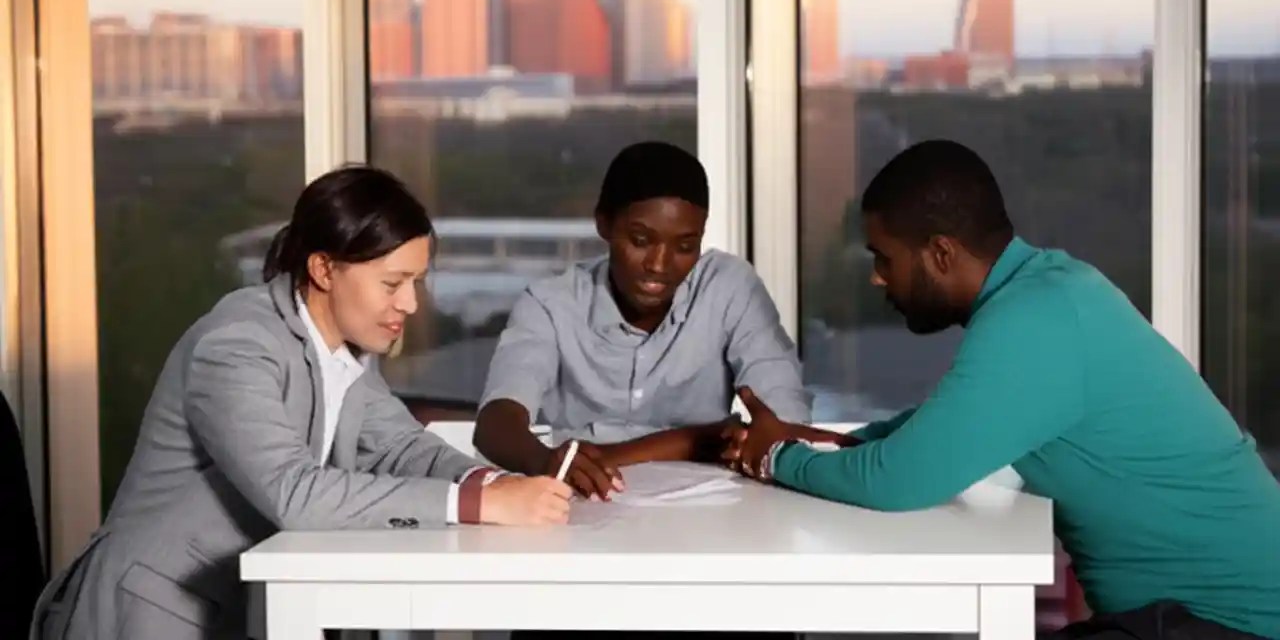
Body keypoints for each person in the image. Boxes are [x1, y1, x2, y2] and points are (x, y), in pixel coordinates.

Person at [726, 140, 1280, 640]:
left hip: (1222, 625)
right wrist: (826, 442)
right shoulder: (1048, 291)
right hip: (1171, 620)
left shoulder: (1036, 320)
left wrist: (776, 457)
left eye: (883, 258)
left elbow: (899, 479)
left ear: (941, 254)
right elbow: (952, 424)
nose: (876, 277)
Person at [30, 167, 571, 640]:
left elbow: (405, 446)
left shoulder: (339, 352)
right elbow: (294, 492)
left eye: (416, 282)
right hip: (151, 610)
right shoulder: (239, 345)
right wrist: (475, 505)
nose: (409, 303)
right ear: (322, 269)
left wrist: (494, 485)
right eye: (393, 283)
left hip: (237, 605)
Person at [473, 141, 834, 502]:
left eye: (685, 246)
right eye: (641, 240)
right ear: (604, 224)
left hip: (706, 518)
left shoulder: (728, 287)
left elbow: (785, 426)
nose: (659, 265)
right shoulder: (550, 303)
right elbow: (494, 424)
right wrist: (548, 460)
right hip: (582, 508)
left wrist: (615, 454)